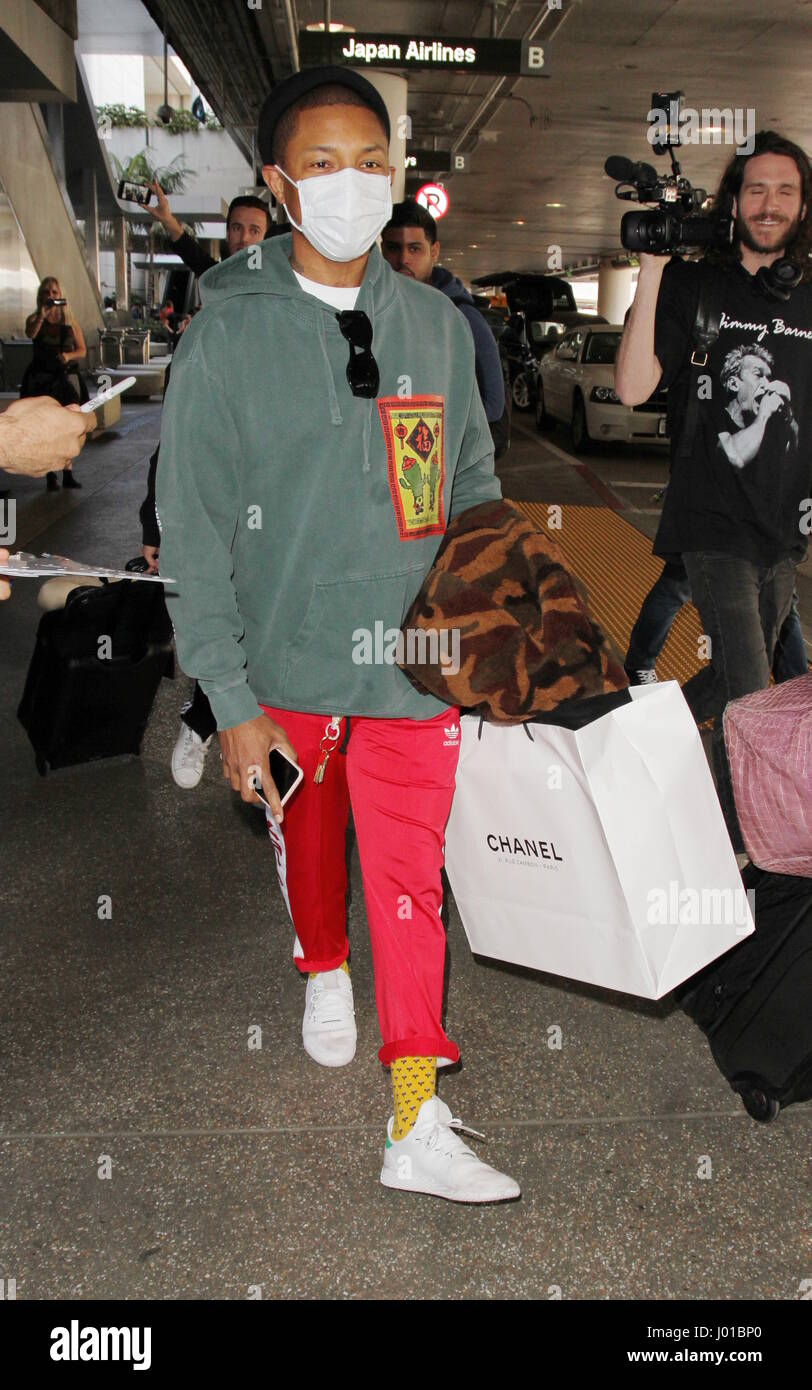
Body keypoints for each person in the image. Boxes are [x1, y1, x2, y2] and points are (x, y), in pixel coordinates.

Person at [156, 65, 519, 1204]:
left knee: (408, 879)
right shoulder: (225, 338)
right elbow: (195, 525)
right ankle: (320, 962)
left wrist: (495, 626)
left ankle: (415, 1115)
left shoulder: (434, 325)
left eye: (370, 161)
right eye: (321, 164)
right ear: (277, 180)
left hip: (413, 663)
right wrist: (225, 689)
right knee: (313, 852)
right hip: (286, 661)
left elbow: (467, 478)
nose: (350, 183)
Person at [615, 130, 812, 849]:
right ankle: (742, 852)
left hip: (783, 531)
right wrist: (651, 270)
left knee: (734, 677)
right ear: (734, 200)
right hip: (711, 524)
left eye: (785, 190)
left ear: (802, 204)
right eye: (756, 188)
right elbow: (634, 386)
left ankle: (626, 740)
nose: (770, 203)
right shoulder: (698, 284)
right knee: (756, 697)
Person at [141, 192, 277, 789]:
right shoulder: (208, 317)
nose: (248, 240)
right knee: (215, 610)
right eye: (238, 229)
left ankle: (223, 718)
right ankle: (201, 722)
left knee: (260, 619)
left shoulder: (285, 306)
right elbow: (172, 451)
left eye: (258, 230)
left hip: (273, 506)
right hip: (219, 502)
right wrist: (155, 529)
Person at [381, 198, 506, 435]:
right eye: (394, 248)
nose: (404, 259)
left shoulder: (462, 317)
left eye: (415, 248)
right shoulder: (373, 310)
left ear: (434, 251)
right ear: (383, 250)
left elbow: (493, 404)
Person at [21, 277, 88, 492]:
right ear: (41, 296)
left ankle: (68, 472)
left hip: (61, 379)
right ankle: (50, 474)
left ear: (61, 295)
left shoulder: (70, 322)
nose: (51, 296)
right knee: (44, 429)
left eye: (54, 292)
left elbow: (82, 350)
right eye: (46, 292)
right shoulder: (35, 319)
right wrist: (42, 314)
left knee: (67, 427)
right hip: (39, 380)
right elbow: (30, 333)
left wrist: (68, 356)